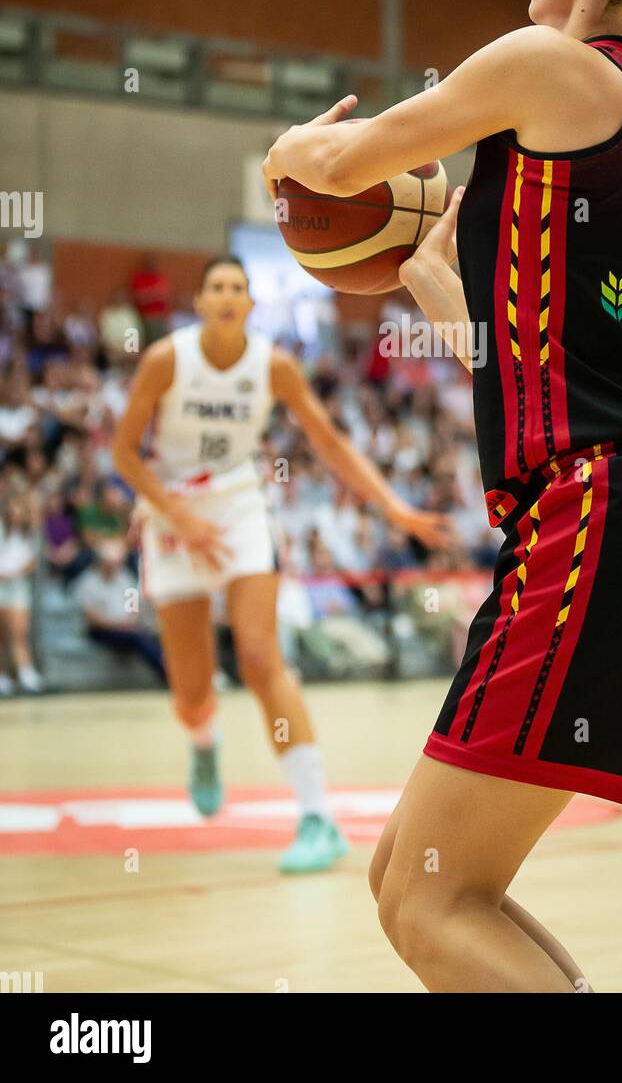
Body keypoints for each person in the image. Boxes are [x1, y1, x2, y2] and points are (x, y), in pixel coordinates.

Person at [264, 0, 622, 990]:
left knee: (430, 899)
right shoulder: (598, 108)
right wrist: (422, 274)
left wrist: (291, 162)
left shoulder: (551, 63)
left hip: (605, 519)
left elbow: (337, 156)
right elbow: (498, 340)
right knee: (415, 881)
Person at [112, 255, 450, 873]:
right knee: (190, 693)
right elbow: (123, 452)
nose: (226, 296)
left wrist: (395, 509)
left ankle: (317, 816)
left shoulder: (273, 366)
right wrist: (176, 516)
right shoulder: (167, 360)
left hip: (241, 507)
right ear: (200, 301)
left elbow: (331, 443)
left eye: (238, 288)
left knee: (261, 657)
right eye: (215, 286)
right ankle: (204, 742)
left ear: (249, 305)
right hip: (172, 515)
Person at [74, 538, 166, 684]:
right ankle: (166, 672)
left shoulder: (125, 577)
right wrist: (120, 625)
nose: (116, 565)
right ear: (101, 562)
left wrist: (129, 623)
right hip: (102, 631)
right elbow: (92, 619)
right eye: (112, 562)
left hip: (127, 628)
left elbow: (133, 609)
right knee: (138, 638)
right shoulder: (87, 582)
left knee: (151, 632)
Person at [0, 493, 41, 695]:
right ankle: (3, 677)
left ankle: (26, 673)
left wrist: (14, 574)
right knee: (1, 636)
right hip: (1, 587)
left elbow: (31, 562)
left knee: (19, 634)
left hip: (17, 588)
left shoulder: (29, 533)